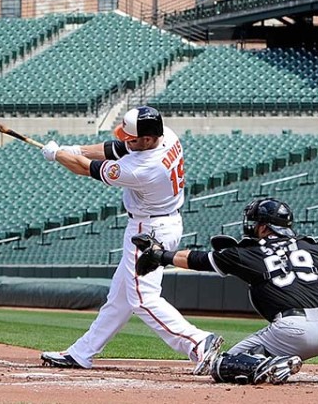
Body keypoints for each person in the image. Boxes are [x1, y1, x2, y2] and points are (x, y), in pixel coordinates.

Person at [133, 197, 318, 386]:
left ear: (263, 227)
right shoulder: (312, 246)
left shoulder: (248, 252)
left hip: (292, 335)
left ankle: (271, 365)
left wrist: (160, 255)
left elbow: (198, 259)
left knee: (223, 363)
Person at [38, 106, 223, 372]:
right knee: (121, 297)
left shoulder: (142, 168)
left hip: (147, 230)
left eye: (133, 138)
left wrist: (59, 155)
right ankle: (81, 353)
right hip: (164, 220)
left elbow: (84, 169)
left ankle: (198, 342)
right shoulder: (165, 135)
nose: (128, 141)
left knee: (142, 299)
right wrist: (74, 148)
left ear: (147, 139)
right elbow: (115, 148)